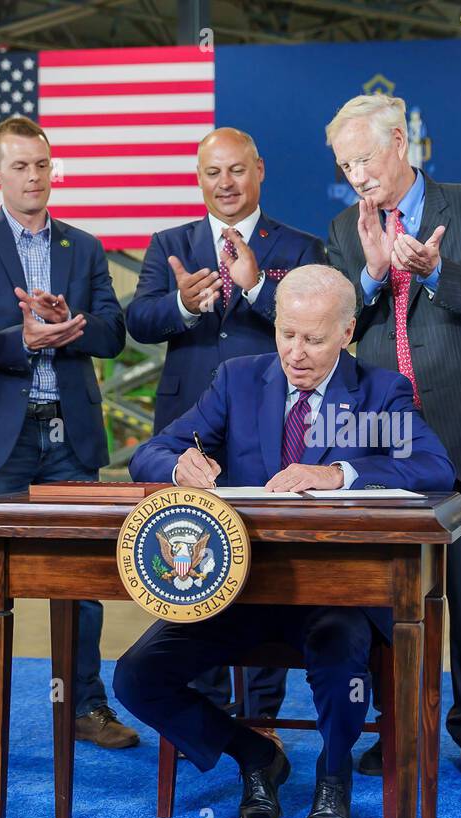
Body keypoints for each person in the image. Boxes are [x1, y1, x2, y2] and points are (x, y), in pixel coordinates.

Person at [115, 264, 456, 818]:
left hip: (336, 591)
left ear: (347, 332)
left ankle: (333, 773)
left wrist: (339, 472)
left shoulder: (380, 392)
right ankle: (255, 755)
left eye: (314, 339)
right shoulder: (238, 380)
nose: (295, 353)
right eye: (286, 334)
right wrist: (180, 465)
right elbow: (151, 451)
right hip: (239, 589)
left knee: (339, 651)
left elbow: (434, 468)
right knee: (136, 677)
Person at [324, 93, 461, 779]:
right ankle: (399, 722)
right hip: (384, 443)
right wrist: (373, 275)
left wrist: (435, 272)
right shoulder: (345, 229)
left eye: (366, 158)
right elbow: (338, 326)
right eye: (346, 164)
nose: (357, 175)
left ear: (401, 143)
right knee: (386, 598)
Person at [0, 115, 133, 766]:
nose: (33, 178)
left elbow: (114, 333)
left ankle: (84, 706)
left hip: (68, 434)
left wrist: (68, 326)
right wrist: (20, 339)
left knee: (82, 576)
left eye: (42, 165)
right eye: (19, 167)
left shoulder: (85, 247)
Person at [127, 127, 326, 726]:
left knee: (263, 570)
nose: (226, 183)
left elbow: (314, 331)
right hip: (189, 428)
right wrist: (184, 304)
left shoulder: (298, 247)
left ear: (259, 170)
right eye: (213, 173)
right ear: (199, 177)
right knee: (193, 565)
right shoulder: (171, 243)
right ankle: (206, 711)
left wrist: (258, 288)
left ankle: (262, 717)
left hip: (271, 430)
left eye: (237, 170)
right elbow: (138, 321)